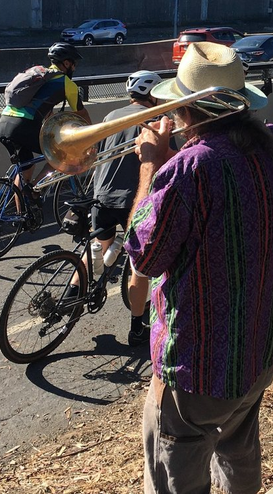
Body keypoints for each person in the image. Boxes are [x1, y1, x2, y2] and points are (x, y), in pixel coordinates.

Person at [124, 42, 273, 494]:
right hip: (259, 354)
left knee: (175, 473)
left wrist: (151, 167)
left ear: (187, 110)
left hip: (196, 371)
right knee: (239, 450)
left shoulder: (190, 168)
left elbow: (142, 258)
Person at [91, 70, 162, 347]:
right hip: (133, 200)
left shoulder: (110, 116)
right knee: (138, 267)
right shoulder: (157, 120)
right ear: (153, 94)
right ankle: (137, 329)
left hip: (102, 194)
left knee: (97, 246)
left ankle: (73, 294)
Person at [0, 42, 90, 189]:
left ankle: (23, 210)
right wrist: (91, 136)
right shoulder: (66, 83)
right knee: (62, 155)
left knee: (25, 169)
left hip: (4, 124)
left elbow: (47, 115)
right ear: (66, 63)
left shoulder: (42, 77)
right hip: (23, 126)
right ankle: (36, 189)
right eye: (74, 64)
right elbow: (81, 114)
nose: (75, 67)